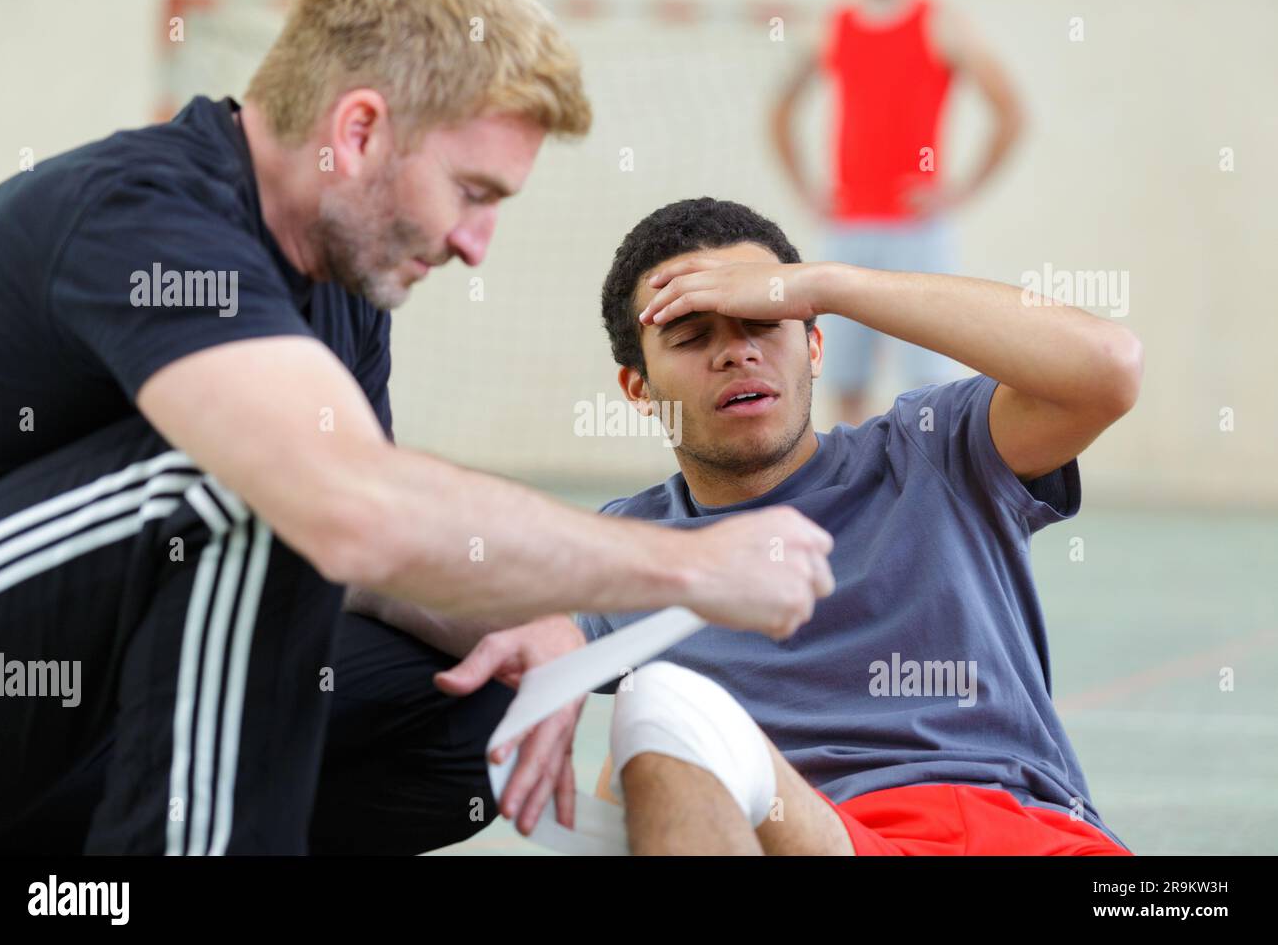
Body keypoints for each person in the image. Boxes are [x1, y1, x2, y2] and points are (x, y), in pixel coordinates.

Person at [0, 0, 834, 855]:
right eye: (471, 191)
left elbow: (367, 565)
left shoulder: (343, 291)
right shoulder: (145, 213)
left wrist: (551, 640)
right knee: (261, 484)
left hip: (63, 701)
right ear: (357, 133)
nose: (477, 245)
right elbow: (347, 509)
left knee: (478, 707)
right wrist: (686, 565)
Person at [448, 197, 1141, 855]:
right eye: (692, 336)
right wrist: (552, 648)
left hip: (1024, 833)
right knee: (657, 707)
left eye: (764, 322)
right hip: (829, 838)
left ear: (813, 346)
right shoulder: (631, 548)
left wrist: (825, 283)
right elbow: (529, 625)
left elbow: (1106, 369)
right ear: (638, 389)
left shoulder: (932, 448)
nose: (737, 353)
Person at [771, 0, 1025, 424]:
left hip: (916, 232)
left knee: (931, 379)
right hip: (847, 232)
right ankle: (851, 487)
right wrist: (807, 189)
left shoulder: (940, 22)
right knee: (844, 378)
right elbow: (780, 111)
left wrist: (960, 191)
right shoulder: (834, 26)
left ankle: (932, 484)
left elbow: (1010, 112)